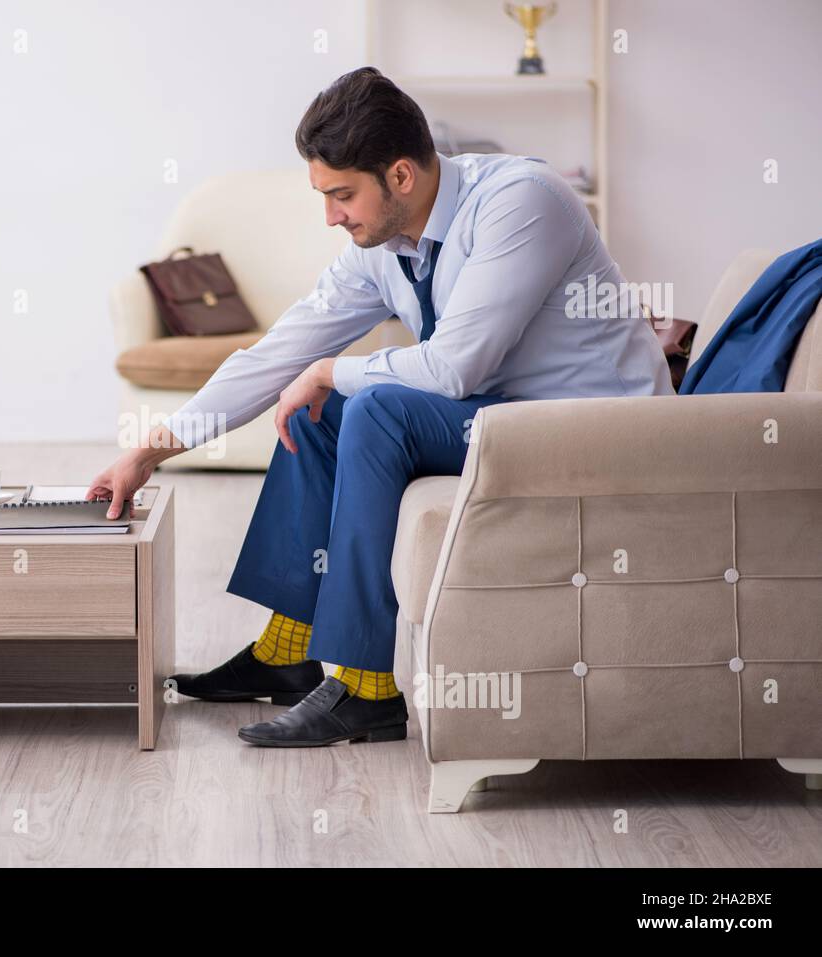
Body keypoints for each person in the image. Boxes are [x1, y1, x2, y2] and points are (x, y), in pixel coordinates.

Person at [85, 67, 673, 748]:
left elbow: (457, 365)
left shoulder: (522, 201)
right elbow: (274, 357)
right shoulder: (382, 245)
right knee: (319, 411)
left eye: (342, 195)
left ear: (400, 176)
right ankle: (290, 651)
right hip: (506, 416)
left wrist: (334, 369)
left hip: (594, 429)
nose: (331, 216)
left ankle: (368, 688)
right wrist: (147, 451)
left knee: (371, 406)